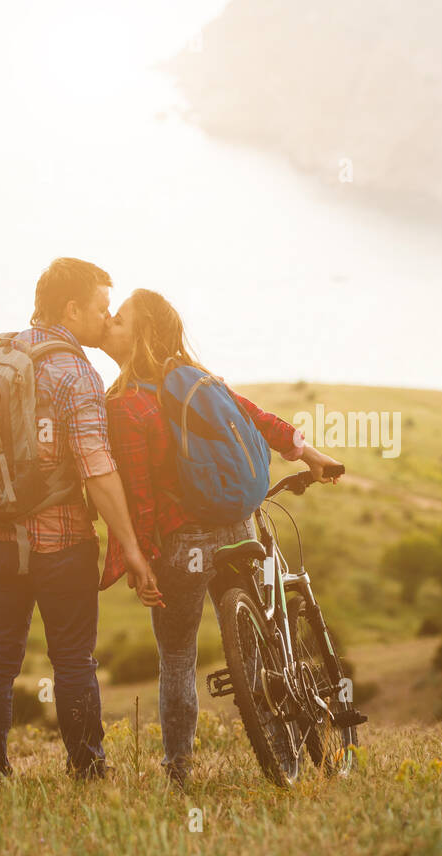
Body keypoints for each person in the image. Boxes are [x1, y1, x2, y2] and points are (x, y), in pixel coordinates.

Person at [0, 258, 162, 785]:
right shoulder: (78, 375)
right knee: (73, 661)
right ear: (72, 309)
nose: (105, 317)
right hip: (63, 543)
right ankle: (87, 772)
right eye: (99, 308)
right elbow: (97, 468)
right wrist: (131, 547)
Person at [99, 288, 341, 788]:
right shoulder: (198, 380)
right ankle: (285, 756)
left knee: (178, 659)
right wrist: (309, 454)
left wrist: (138, 557)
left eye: (118, 320)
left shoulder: (127, 403)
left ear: (140, 335)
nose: (108, 324)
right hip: (238, 526)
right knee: (259, 649)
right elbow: (251, 416)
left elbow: (140, 496)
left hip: (181, 542)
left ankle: (179, 776)